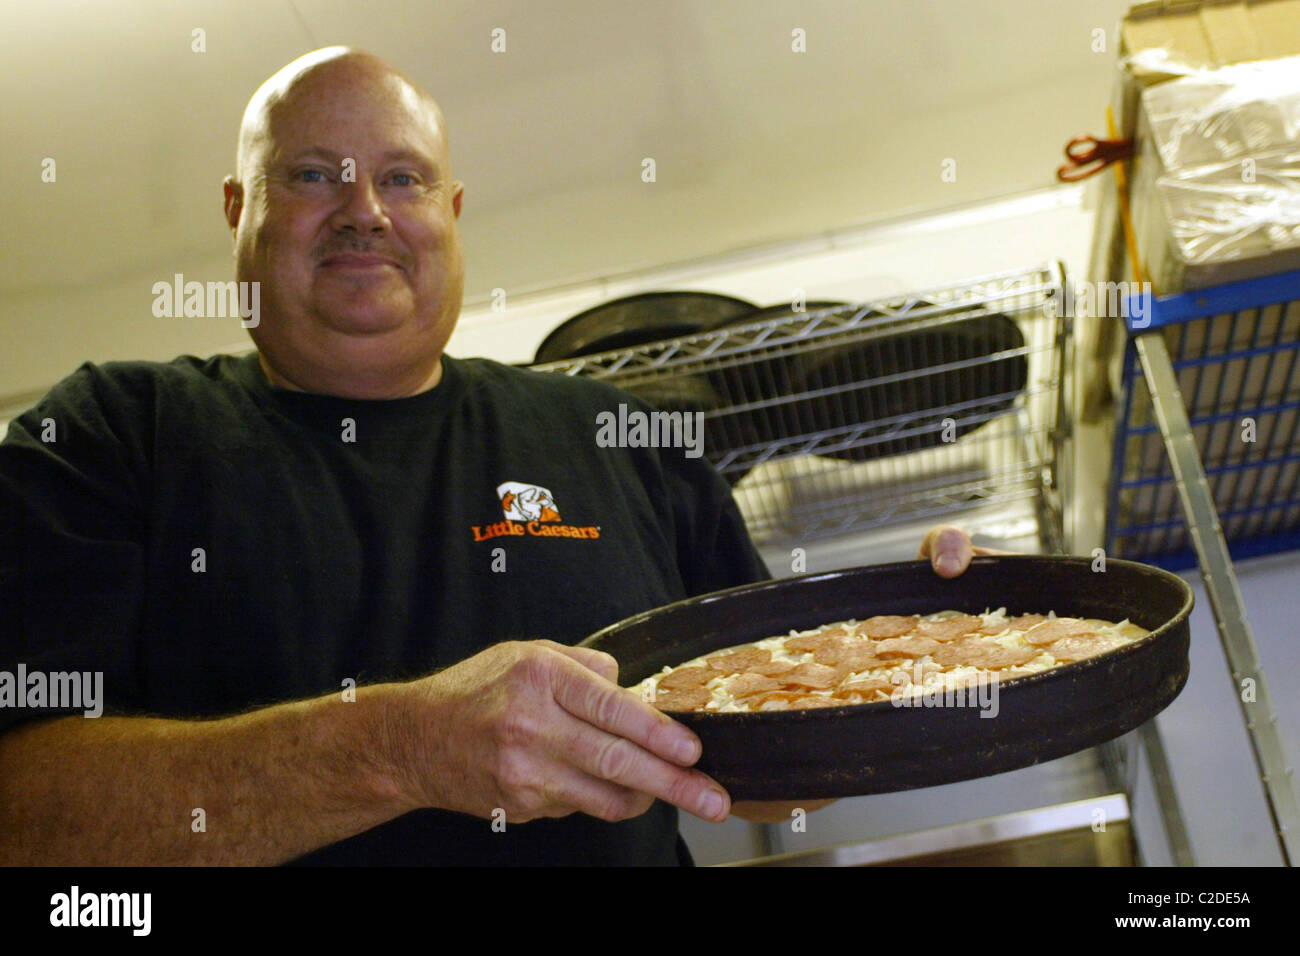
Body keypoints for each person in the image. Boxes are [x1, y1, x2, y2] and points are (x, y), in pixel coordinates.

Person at [0, 48, 991, 866]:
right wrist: (397, 749)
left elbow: (768, 769)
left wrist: (915, 646)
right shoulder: (111, 435)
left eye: (401, 177)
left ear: (452, 210)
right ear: (235, 209)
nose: (365, 212)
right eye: (311, 175)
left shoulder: (617, 435)